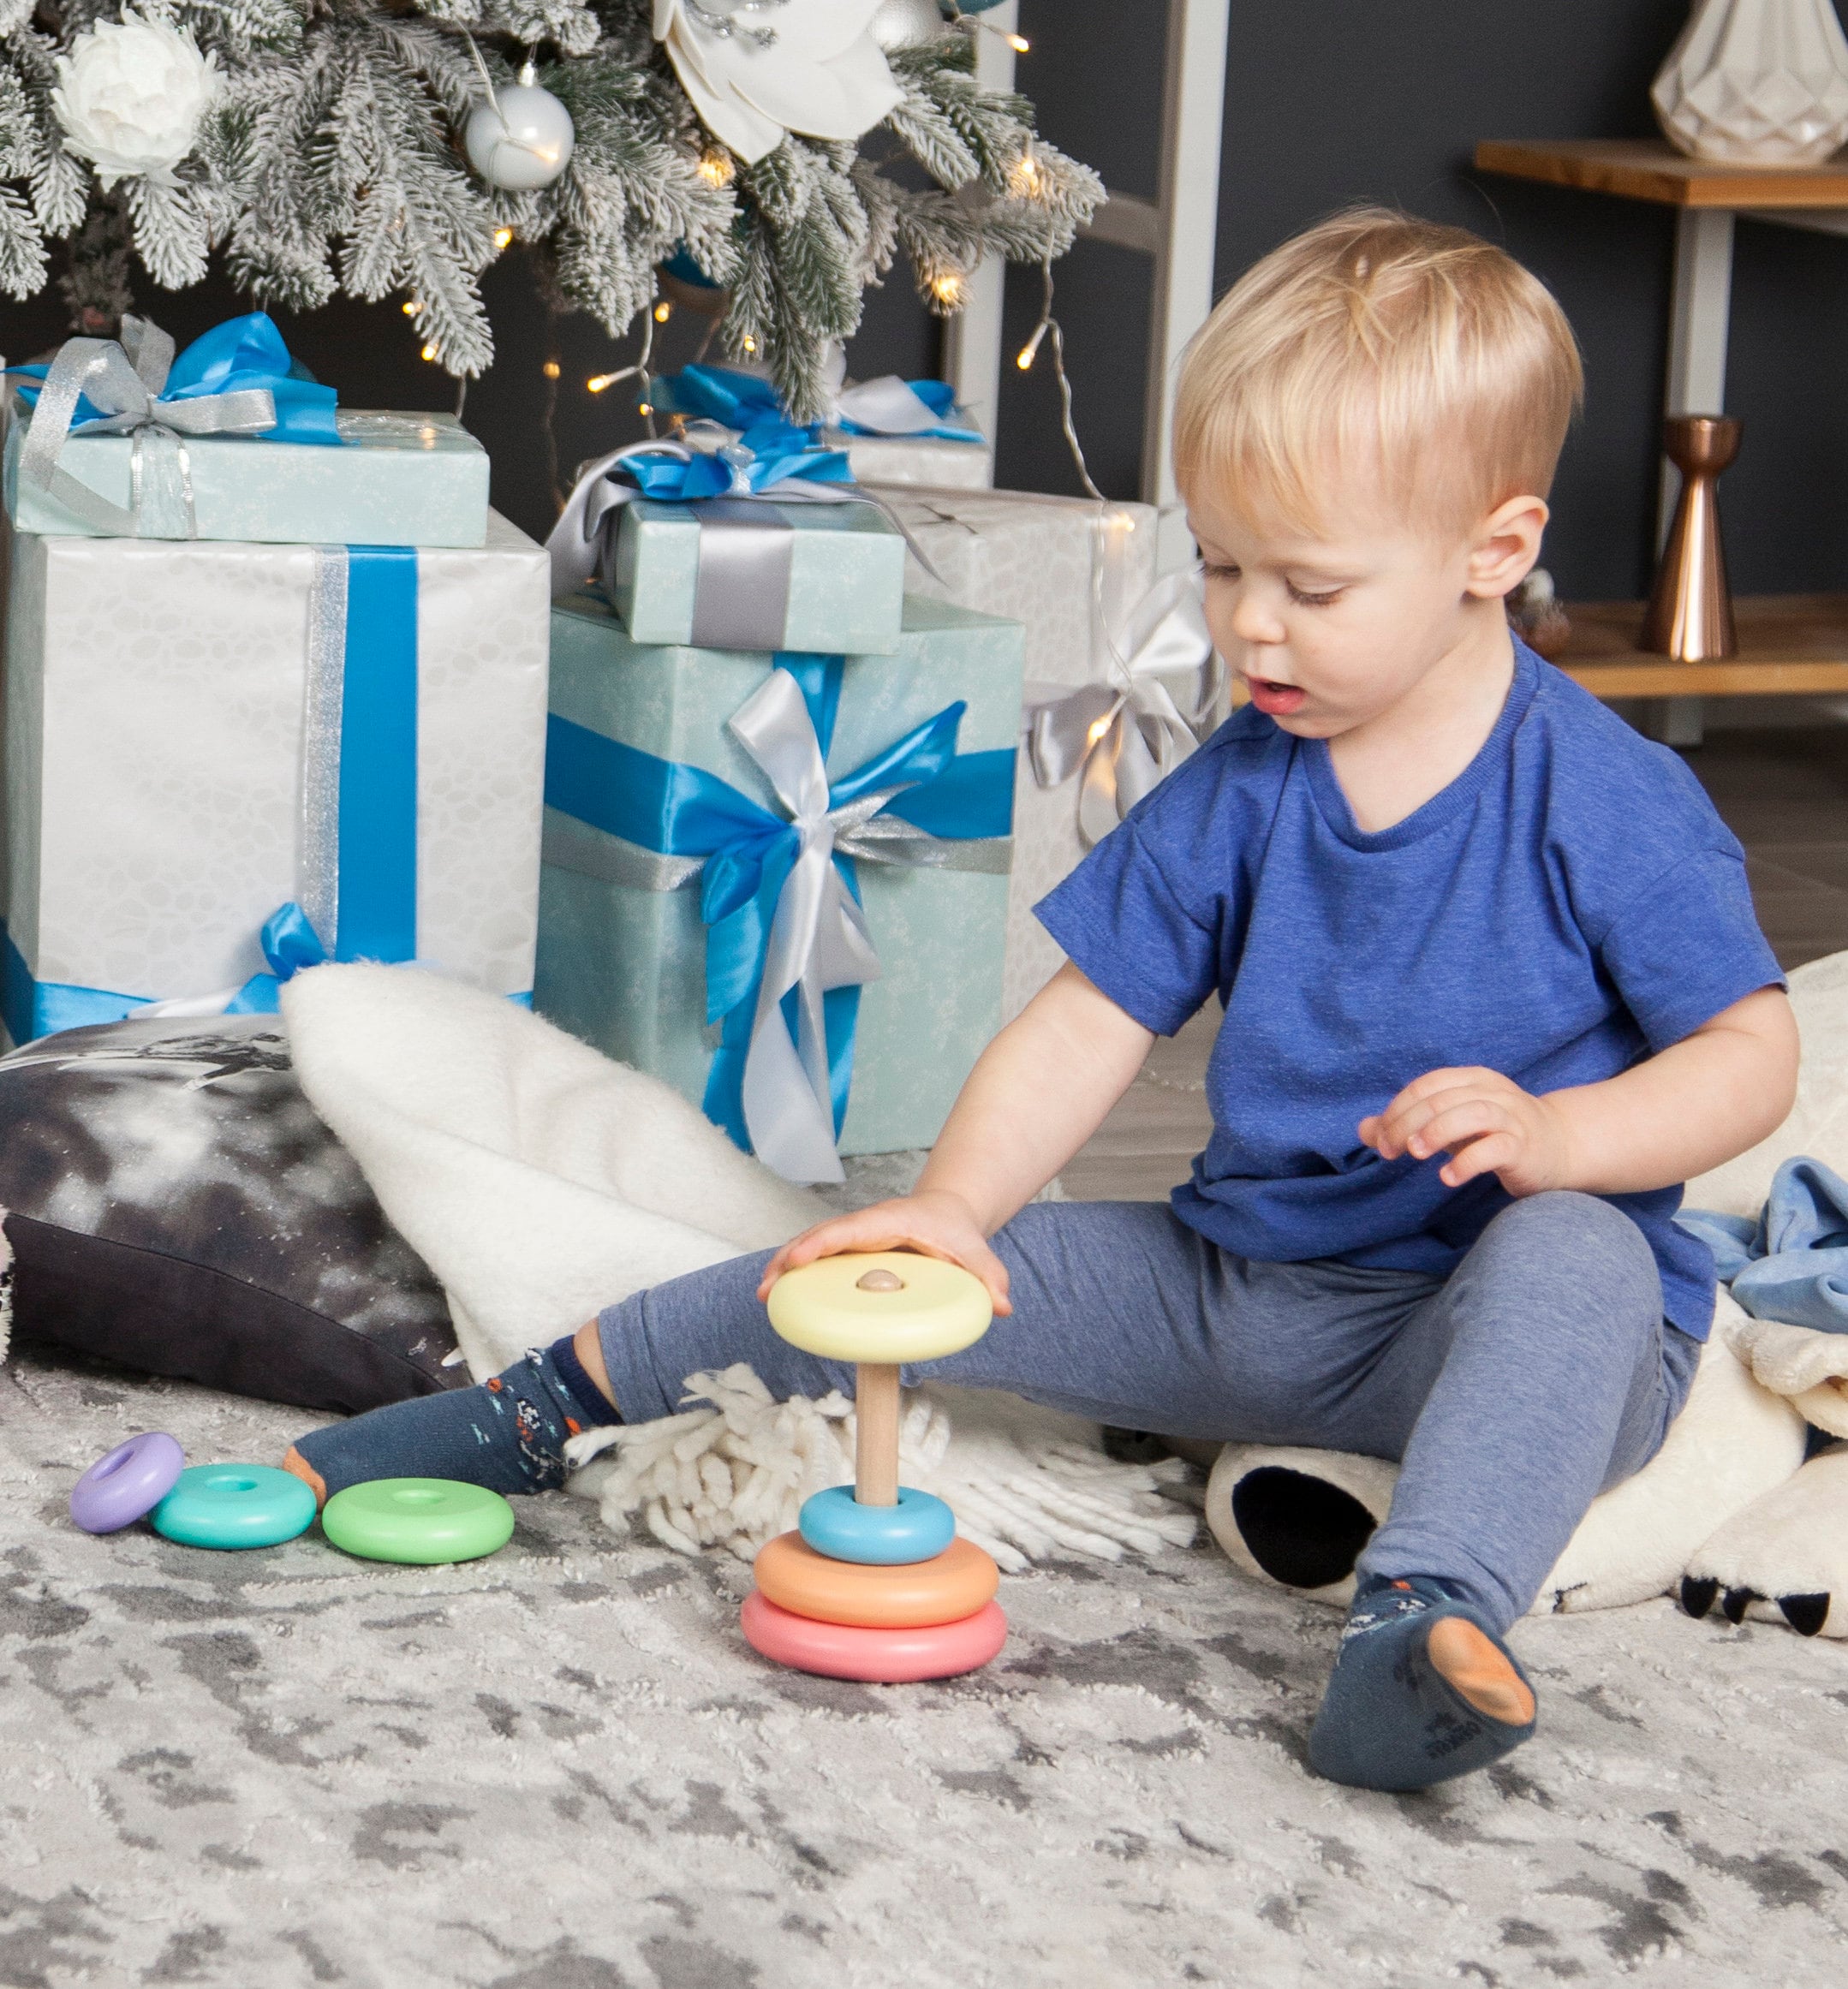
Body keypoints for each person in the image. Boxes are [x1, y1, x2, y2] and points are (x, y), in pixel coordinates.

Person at [283, 208, 1797, 1793]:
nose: (1247, 626)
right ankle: (534, 1409)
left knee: (1571, 1258)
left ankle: (1418, 1627)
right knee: (872, 1266)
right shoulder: (1246, 784)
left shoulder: (1603, 799)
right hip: (1249, 1292)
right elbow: (1087, 1020)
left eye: (1312, 587)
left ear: (1494, 552)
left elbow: (1750, 1052)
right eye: (1218, 566)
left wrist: (1567, 1135)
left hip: (1500, 1312)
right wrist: (948, 1204)